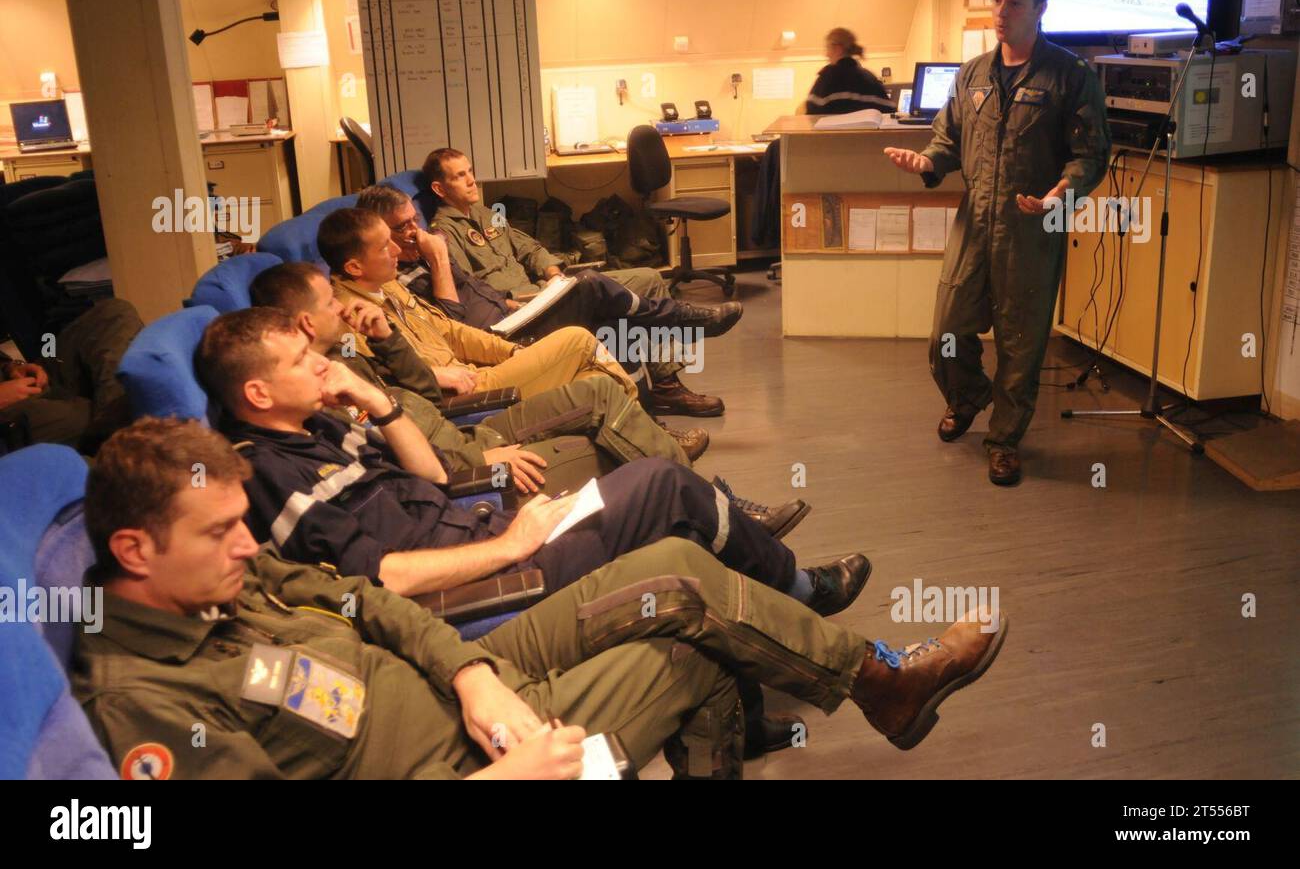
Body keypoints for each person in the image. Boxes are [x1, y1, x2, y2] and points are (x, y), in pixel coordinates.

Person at [74, 417, 1009, 779]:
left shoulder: (226, 576)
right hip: (460, 764)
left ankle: (878, 680)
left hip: (468, 687)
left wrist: (473, 670)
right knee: (692, 653)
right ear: (132, 549)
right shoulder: (143, 701)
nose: (248, 540)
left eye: (243, 519)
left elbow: (374, 605)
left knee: (678, 567)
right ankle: (880, 687)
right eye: (219, 529)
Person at [194, 307, 858, 614]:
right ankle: (799, 591)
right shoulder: (266, 471)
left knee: (675, 516)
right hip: (476, 578)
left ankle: (776, 628)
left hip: (477, 528)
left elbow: (427, 477)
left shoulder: (320, 422)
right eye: (300, 361)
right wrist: (512, 543)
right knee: (663, 487)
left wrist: (376, 401)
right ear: (256, 392)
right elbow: (384, 577)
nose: (321, 363)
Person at [884, 0, 1109, 486]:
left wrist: (1061, 193)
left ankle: (1004, 439)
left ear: (1041, 7)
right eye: (997, 1)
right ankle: (967, 396)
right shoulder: (973, 74)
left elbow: (1090, 155)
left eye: (1014, 3)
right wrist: (929, 162)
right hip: (975, 224)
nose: (1001, 14)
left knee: (1020, 342)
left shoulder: (1070, 77)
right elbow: (947, 138)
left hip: (1031, 228)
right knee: (946, 331)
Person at [248, 260, 711, 491]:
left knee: (600, 388)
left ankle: (692, 486)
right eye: (330, 303)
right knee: (592, 369)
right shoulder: (326, 388)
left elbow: (423, 389)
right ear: (308, 323)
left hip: (462, 431)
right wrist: (480, 458)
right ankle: (700, 497)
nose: (341, 309)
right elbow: (404, 462)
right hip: (467, 447)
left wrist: (388, 338)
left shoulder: (345, 357)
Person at [419, 152, 733, 417]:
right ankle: (682, 319)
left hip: (545, 290)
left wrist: (553, 272)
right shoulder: (443, 232)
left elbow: (529, 247)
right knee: (596, 291)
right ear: (439, 188)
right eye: (460, 176)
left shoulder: (486, 213)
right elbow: (473, 289)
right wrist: (524, 297)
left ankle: (665, 385)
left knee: (649, 278)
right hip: (521, 307)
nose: (472, 180)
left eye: (470, 172)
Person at [317, 206, 640, 404]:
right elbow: (385, 381)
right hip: (462, 394)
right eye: (383, 247)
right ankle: (651, 441)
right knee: (578, 338)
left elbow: (451, 330)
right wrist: (436, 375)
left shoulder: (387, 285)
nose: (397, 251)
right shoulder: (349, 316)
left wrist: (511, 352)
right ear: (354, 267)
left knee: (596, 383)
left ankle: (644, 445)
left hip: (477, 372)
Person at [0, 297, 142, 453]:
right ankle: (124, 440)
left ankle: (117, 423)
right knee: (88, 416)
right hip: (8, 416)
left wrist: (10, 367)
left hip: (20, 382)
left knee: (115, 312)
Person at [803, 27, 893, 115]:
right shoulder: (870, 78)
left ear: (838, 49)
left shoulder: (826, 78)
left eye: (827, 48)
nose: (826, 55)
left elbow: (811, 115)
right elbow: (890, 111)